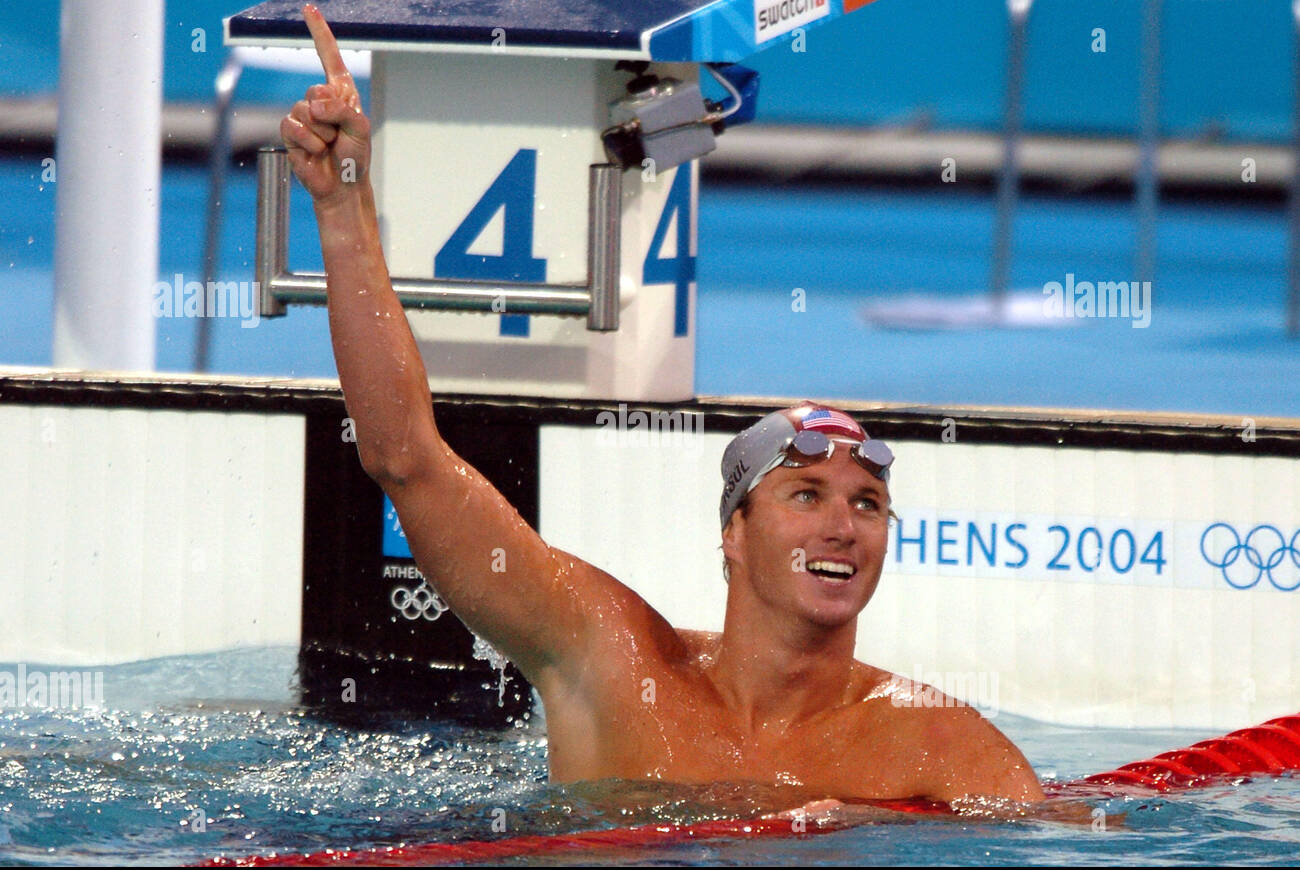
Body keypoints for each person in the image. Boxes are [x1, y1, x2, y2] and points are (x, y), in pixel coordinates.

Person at [282, 3, 1045, 809]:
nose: (842, 525)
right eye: (806, 494)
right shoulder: (607, 658)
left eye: (868, 503)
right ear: (734, 536)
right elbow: (406, 460)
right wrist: (343, 210)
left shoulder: (936, 743)